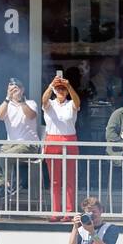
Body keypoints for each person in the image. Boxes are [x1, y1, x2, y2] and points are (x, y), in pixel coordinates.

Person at [41, 73, 81, 221]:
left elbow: (77, 103)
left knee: (70, 179)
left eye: (62, 89)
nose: (61, 91)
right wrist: (51, 85)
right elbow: (44, 100)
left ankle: (69, 212)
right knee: (55, 180)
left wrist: (69, 86)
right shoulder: (50, 104)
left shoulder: (70, 104)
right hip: (52, 140)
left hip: (69, 140)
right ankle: (56, 212)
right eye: (58, 89)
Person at [0, 77, 39, 197]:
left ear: (23, 89)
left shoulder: (30, 103)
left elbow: (31, 115)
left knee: (5, 156)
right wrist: (7, 98)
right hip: (10, 145)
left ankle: (10, 185)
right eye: (12, 88)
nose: (14, 90)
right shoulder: (6, 105)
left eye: (17, 88)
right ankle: (5, 184)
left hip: (29, 145)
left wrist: (21, 101)